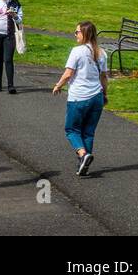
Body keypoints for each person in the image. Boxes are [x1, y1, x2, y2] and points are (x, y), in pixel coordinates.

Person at [52, 21, 109, 176]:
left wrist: (58, 86)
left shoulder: (77, 51)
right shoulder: (102, 53)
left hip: (79, 97)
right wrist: (105, 94)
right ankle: (84, 164)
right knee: (88, 132)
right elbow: (104, 77)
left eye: (77, 31)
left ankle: (83, 155)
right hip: (96, 96)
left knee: (71, 129)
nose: (75, 34)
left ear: (85, 33)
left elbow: (68, 73)